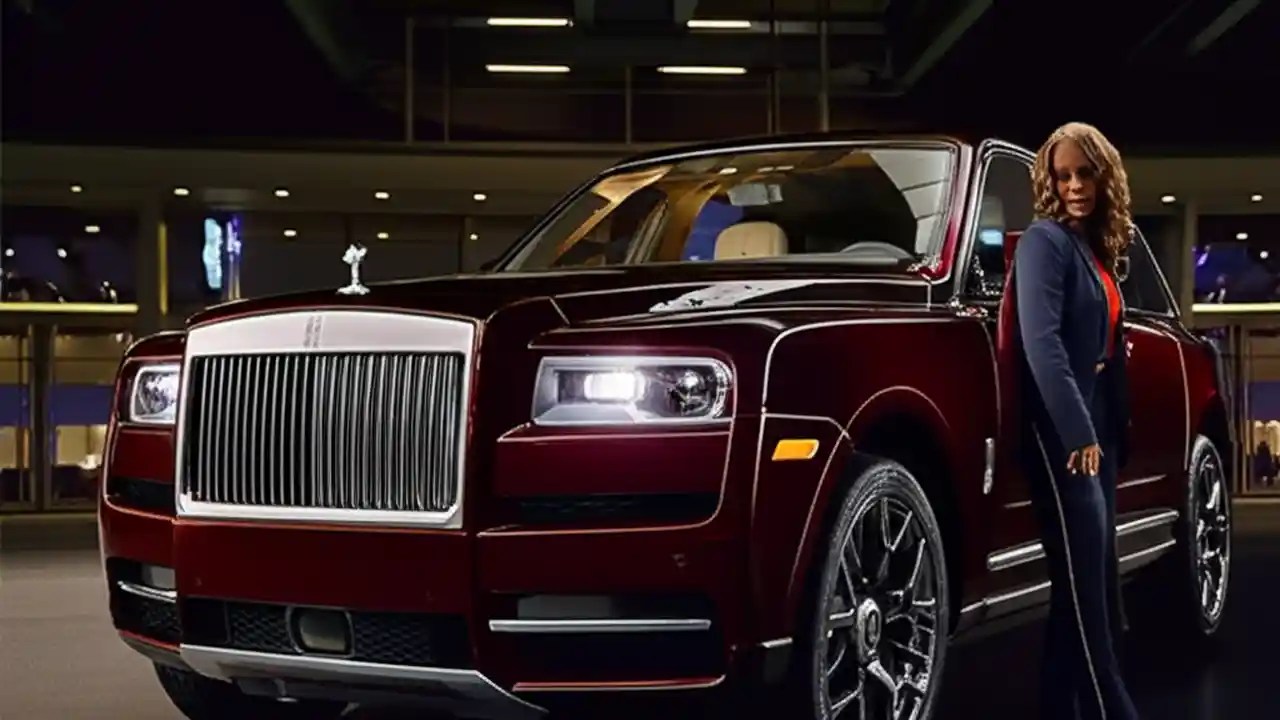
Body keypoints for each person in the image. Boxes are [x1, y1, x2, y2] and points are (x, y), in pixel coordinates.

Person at [1010, 121, 1141, 720]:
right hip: (1063, 431)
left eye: (1084, 173)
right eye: (1063, 176)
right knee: (1089, 598)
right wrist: (1078, 431)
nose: (1074, 186)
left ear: (1103, 175)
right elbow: (1041, 345)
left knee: (1083, 590)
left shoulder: (1095, 248)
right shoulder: (1045, 242)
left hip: (1097, 426)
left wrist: (1106, 429)